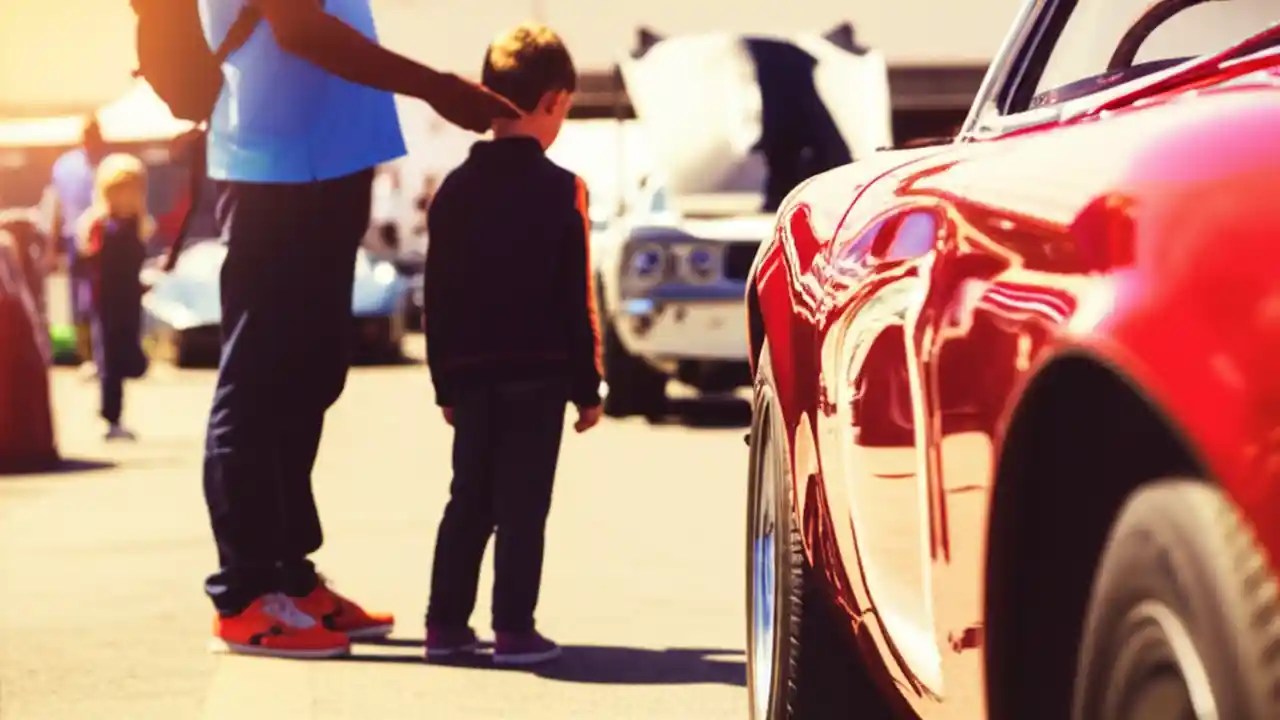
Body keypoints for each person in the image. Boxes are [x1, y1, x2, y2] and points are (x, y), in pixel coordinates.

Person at [198, 0, 520, 660]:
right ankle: (244, 595)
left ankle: (289, 576)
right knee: (257, 385)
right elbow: (299, 28)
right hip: (274, 168)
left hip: (330, 165)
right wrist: (437, 88)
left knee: (310, 376)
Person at [422, 22, 603, 666]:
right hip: (539, 373)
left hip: (470, 374)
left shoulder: (452, 191)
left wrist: (444, 382)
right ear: (554, 101)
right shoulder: (563, 189)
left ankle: (444, 626)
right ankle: (514, 629)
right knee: (524, 501)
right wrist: (588, 389)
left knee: (469, 496)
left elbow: (435, 297)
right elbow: (573, 297)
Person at [75, 154, 152, 441]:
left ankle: (112, 409)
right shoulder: (100, 225)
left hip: (130, 301)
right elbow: (93, 261)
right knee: (110, 360)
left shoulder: (138, 224)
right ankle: (110, 416)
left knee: (131, 358)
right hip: (106, 301)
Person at [48, 116, 106, 374]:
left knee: (95, 296)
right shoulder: (67, 165)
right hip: (76, 235)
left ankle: (96, 351)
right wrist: (53, 243)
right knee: (79, 296)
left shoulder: (105, 164)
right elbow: (57, 204)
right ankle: (85, 353)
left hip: (98, 236)